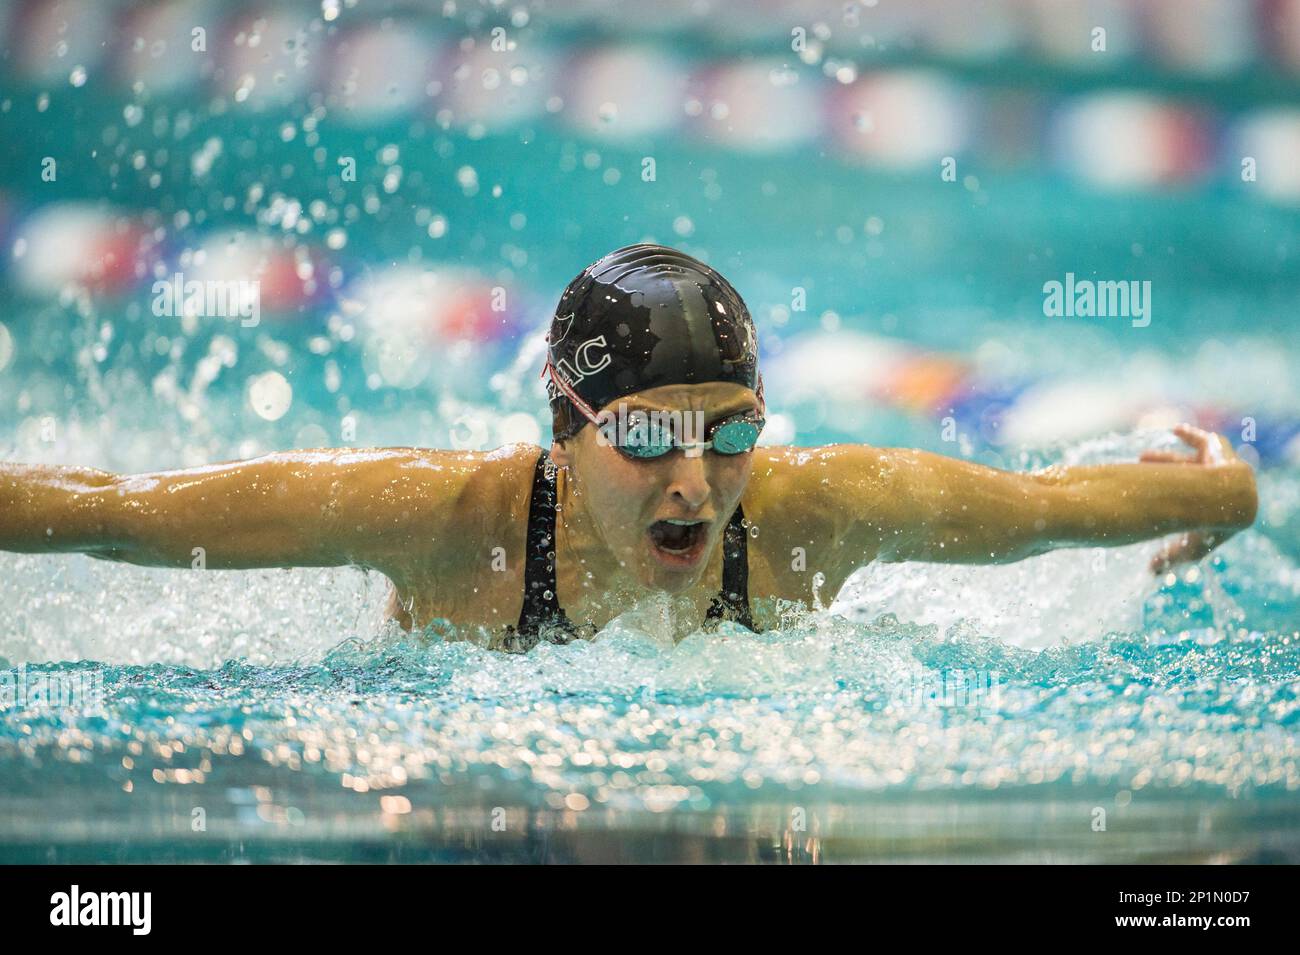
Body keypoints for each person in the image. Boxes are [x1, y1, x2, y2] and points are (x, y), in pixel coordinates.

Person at [0, 244, 1258, 650]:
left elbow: (1043, 509)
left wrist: (1209, 493)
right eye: (649, 437)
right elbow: (126, 509)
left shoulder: (815, 510)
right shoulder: (445, 524)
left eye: (728, 437)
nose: (694, 482)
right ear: (562, 431)